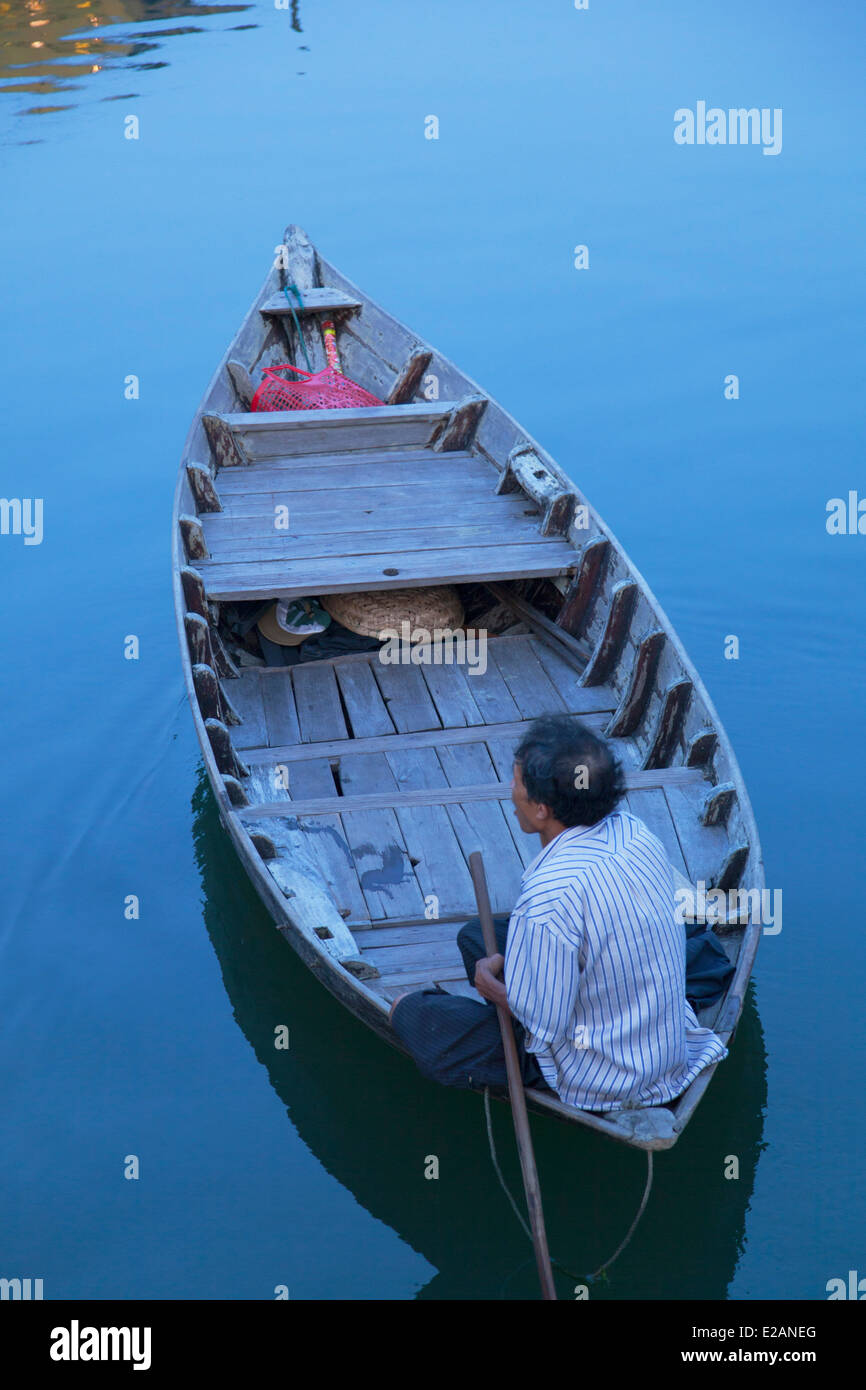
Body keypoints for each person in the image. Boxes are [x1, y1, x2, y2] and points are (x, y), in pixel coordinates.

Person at [390, 714, 728, 1111]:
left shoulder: (549, 897)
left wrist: (492, 988)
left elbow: (544, 1022)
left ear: (542, 810)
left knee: (408, 1012)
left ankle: (523, 1061)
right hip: (660, 1045)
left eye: (516, 783)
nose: (510, 790)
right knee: (474, 937)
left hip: (599, 1075)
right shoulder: (635, 832)